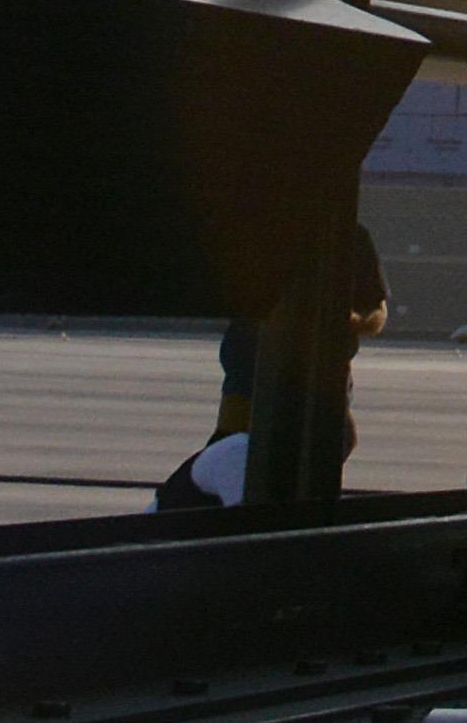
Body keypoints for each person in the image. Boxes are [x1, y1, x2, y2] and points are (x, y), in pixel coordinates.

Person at [153, 222, 388, 521]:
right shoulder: (254, 228)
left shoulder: (349, 235)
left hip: (323, 376)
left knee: (308, 463)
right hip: (251, 373)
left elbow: (377, 312)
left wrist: (342, 318)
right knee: (240, 455)